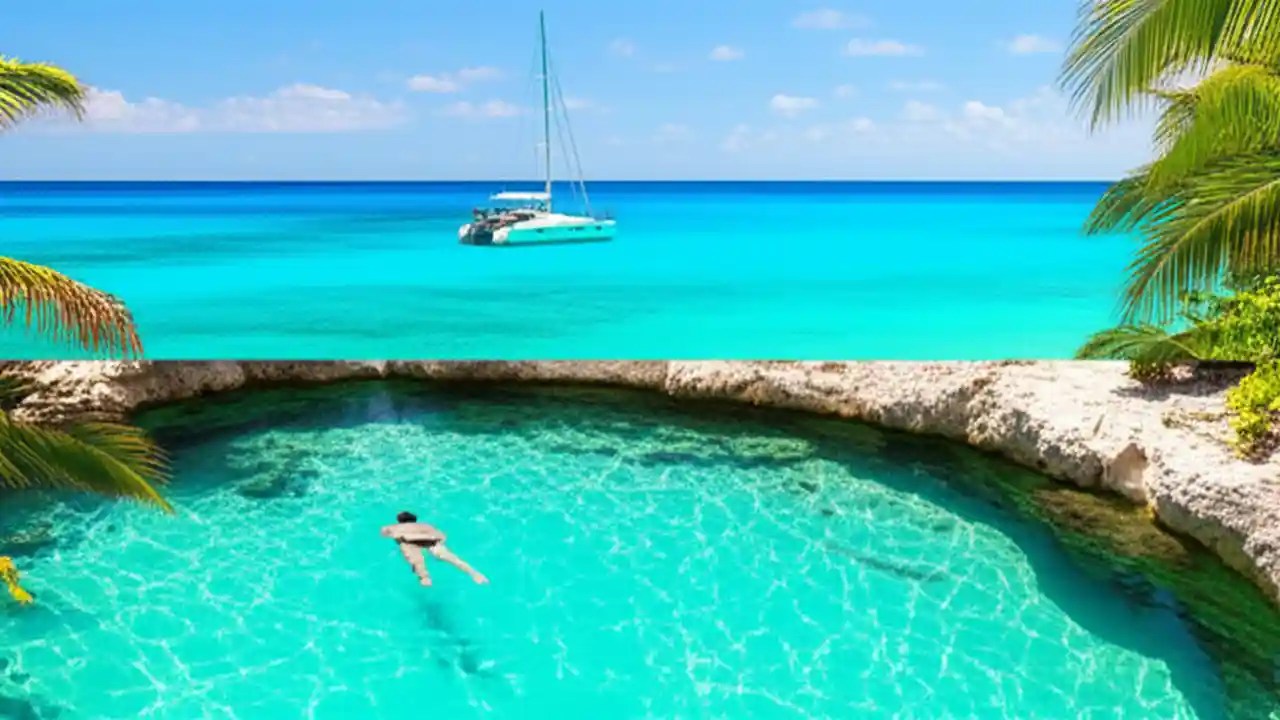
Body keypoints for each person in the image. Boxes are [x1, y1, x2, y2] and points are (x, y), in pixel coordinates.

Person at [381, 511, 489, 587]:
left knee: (416, 559)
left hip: (409, 541)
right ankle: (475, 574)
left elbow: (384, 533)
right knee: (453, 559)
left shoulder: (393, 526)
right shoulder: (426, 525)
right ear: (415, 519)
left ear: (399, 520)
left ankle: (424, 578)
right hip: (431, 540)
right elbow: (442, 536)